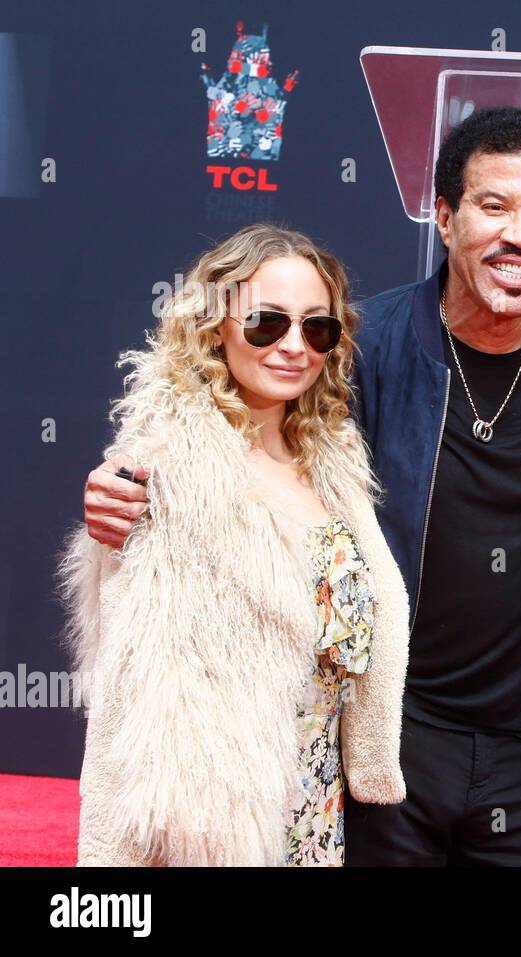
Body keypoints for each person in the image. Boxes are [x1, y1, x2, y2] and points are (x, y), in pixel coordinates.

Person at [83, 108, 521, 866]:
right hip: (385, 746)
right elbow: (233, 428)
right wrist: (127, 481)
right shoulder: (360, 349)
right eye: (494, 206)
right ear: (444, 219)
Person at [62, 224, 410, 866]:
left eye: (317, 328)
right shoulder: (162, 473)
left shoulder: (332, 466)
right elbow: (121, 699)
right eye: (265, 324)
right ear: (215, 326)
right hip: (212, 830)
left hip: (315, 815)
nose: (292, 346)